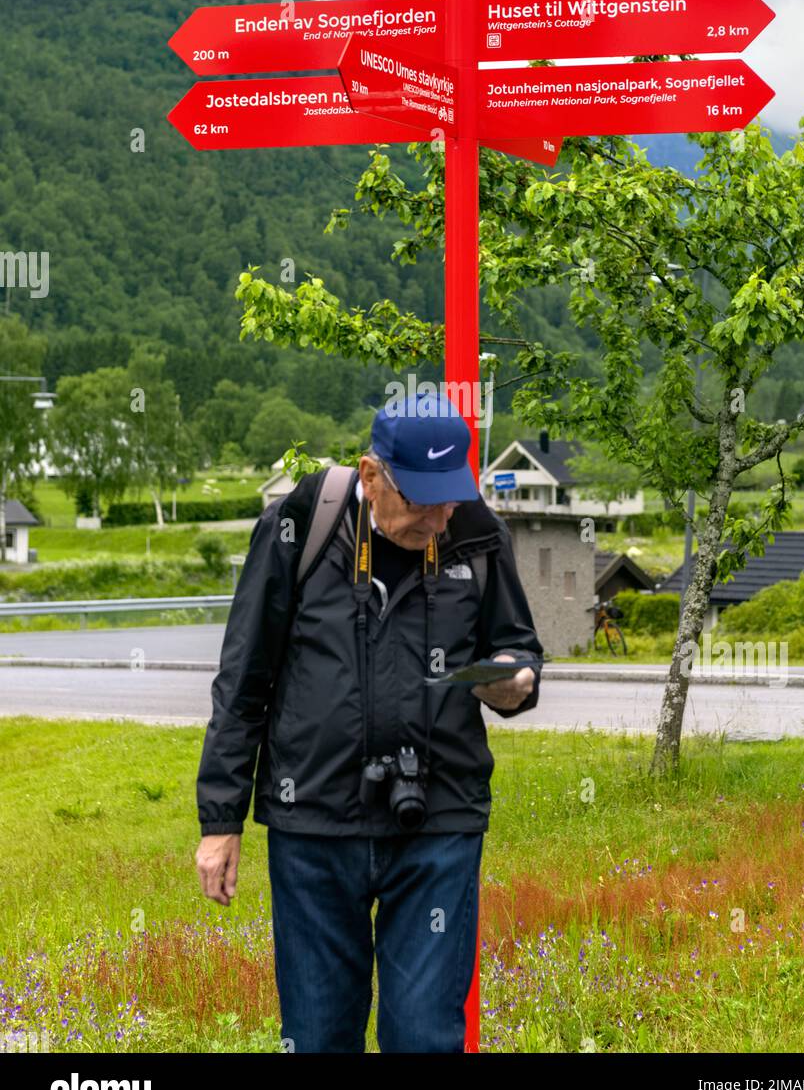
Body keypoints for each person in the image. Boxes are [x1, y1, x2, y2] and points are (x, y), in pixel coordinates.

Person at [195, 390, 543, 1052]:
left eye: (450, 496)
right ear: (371, 475)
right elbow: (244, 679)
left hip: (437, 823)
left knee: (423, 1037)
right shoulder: (303, 525)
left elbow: (516, 647)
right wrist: (220, 820)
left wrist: (514, 682)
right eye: (421, 501)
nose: (439, 518)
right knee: (319, 1034)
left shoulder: (475, 531)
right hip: (314, 823)